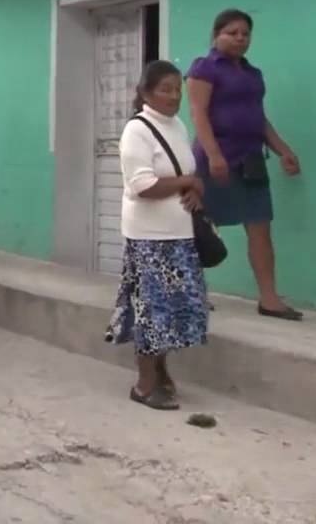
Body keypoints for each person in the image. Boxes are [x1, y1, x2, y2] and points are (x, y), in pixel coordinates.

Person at [186, 9, 301, 320]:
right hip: (216, 159)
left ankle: (269, 298)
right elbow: (198, 113)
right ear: (216, 35)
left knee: (261, 227)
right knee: (196, 227)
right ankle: (192, 292)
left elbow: (259, 119)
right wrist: (213, 155)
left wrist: (283, 150)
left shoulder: (253, 74)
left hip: (250, 160)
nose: (239, 38)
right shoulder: (204, 68)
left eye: (245, 34)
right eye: (231, 32)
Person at [107, 60, 208, 410]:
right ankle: (144, 384)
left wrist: (195, 189)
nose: (173, 96)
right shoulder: (137, 130)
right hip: (148, 239)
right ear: (146, 92)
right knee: (151, 313)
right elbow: (142, 185)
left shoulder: (178, 125)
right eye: (165, 89)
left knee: (173, 312)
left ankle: (163, 374)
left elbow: (186, 171)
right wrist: (187, 182)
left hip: (179, 236)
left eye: (177, 89)